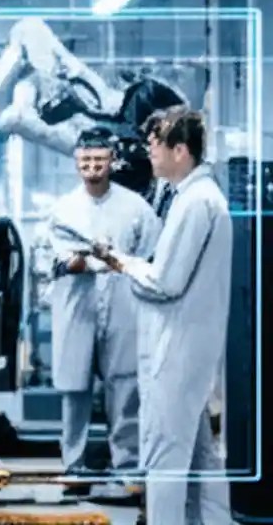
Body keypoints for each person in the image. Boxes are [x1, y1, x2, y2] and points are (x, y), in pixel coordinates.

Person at [92, 106, 235, 524]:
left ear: (181, 150)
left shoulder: (195, 203)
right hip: (191, 351)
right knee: (201, 460)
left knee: (164, 459)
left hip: (176, 353)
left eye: (156, 145)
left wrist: (119, 261)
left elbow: (165, 282)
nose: (149, 153)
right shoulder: (201, 198)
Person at [45, 127, 161, 498]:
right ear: (76, 162)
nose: (92, 167)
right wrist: (92, 260)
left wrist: (115, 262)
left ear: (112, 160)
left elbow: (151, 255)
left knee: (125, 387)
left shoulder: (135, 207)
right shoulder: (64, 209)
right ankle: (74, 466)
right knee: (74, 389)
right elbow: (58, 260)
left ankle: (129, 468)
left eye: (99, 159)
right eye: (85, 160)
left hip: (125, 302)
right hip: (78, 304)